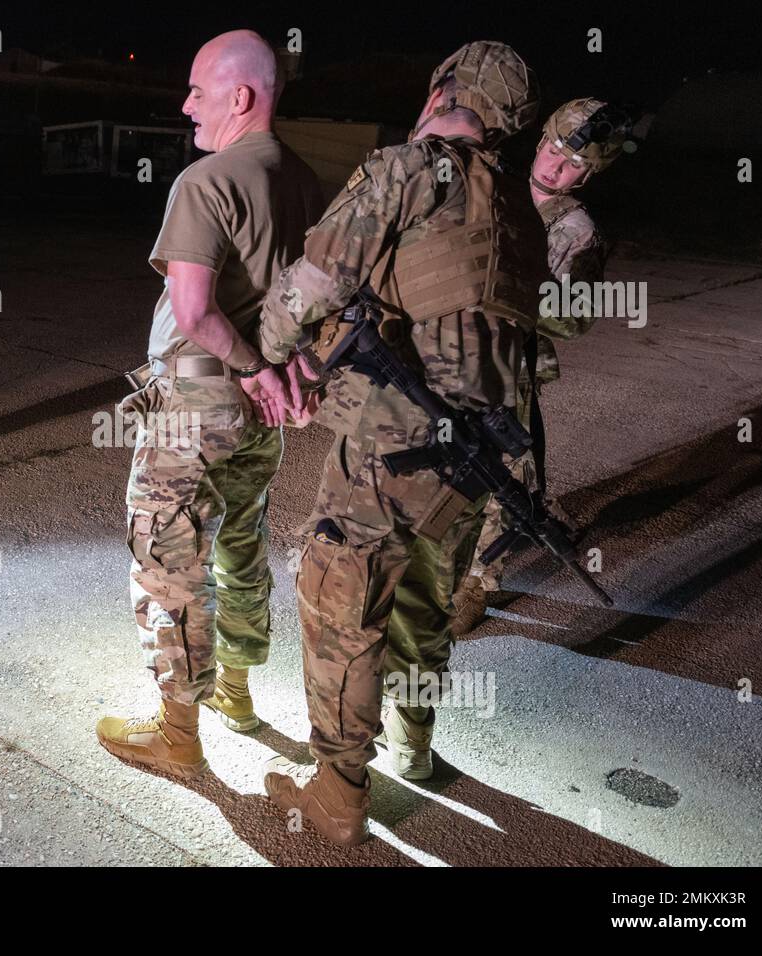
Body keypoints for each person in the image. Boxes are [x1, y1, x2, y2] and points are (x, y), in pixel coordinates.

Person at [255, 41, 546, 843]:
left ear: (442, 89)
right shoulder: (517, 208)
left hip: (392, 442)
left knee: (340, 604)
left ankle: (340, 794)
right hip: (475, 455)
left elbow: (317, 281)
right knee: (424, 604)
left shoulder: (412, 168)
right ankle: (415, 749)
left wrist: (268, 349)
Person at [95, 30, 323, 776]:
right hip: (262, 412)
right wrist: (279, 375)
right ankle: (236, 691)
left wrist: (252, 368)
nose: (186, 103)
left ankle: (177, 733)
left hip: (201, 398)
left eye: (198, 89)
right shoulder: (304, 181)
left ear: (241, 96)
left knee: (166, 557)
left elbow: (194, 311)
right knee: (239, 544)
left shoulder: (206, 180)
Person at [450, 97, 632, 635]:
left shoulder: (575, 230)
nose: (555, 166)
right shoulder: (494, 186)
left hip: (513, 367)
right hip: (456, 351)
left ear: (588, 175)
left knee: (504, 478)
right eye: (553, 149)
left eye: (573, 164)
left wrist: (519, 275)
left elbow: (573, 321)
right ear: (539, 141)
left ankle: (479, 580)